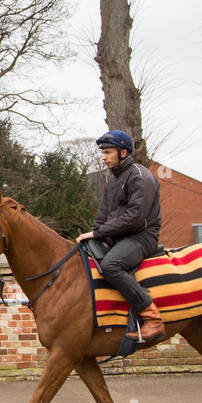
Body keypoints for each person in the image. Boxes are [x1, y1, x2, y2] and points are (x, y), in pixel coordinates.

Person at [75, 130, 165, 341]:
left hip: (142, 236)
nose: (103, 157)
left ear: (123, 152)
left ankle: (153, 319)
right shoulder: (113, 180)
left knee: (110, 266)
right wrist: (92, 236)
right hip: (119, 236)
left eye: (108, 152)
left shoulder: (141, 177)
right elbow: (103, 216)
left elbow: (135, 218)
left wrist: (98, 232)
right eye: (103, 152)